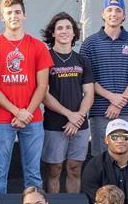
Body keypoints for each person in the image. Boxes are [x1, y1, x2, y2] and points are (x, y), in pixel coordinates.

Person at [0, 0, 51, 199]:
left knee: (33, 176)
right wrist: (17, 112)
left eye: (17, 12)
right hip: (2, 118)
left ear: (24, 15)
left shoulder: (38, 46)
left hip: (33, 118)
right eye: (9, 13)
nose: (14, 16)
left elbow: (42, 85)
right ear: (2, 17)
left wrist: (27, 113)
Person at [78, 0, 128, 160]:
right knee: (102, 158)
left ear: (124, 16)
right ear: (103, 14)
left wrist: (120, 101)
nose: (113, 14)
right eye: (109, 10)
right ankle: (105, 188)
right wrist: (111, 97)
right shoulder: (89, 43)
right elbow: (86, 79)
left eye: (118, 10)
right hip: (101, 109)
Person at [39, 12, 95, 193]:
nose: (64, 31)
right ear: (53, 33)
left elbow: (89, 93)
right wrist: (69, 115)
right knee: (54, 170)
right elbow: (44, 94)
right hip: (55, 124)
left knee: (74, 169)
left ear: (74, 33)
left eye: (68, 27)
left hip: (80, 124)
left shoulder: (82, 60)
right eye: (59, 28)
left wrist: (78, 117)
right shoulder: (45, 58)